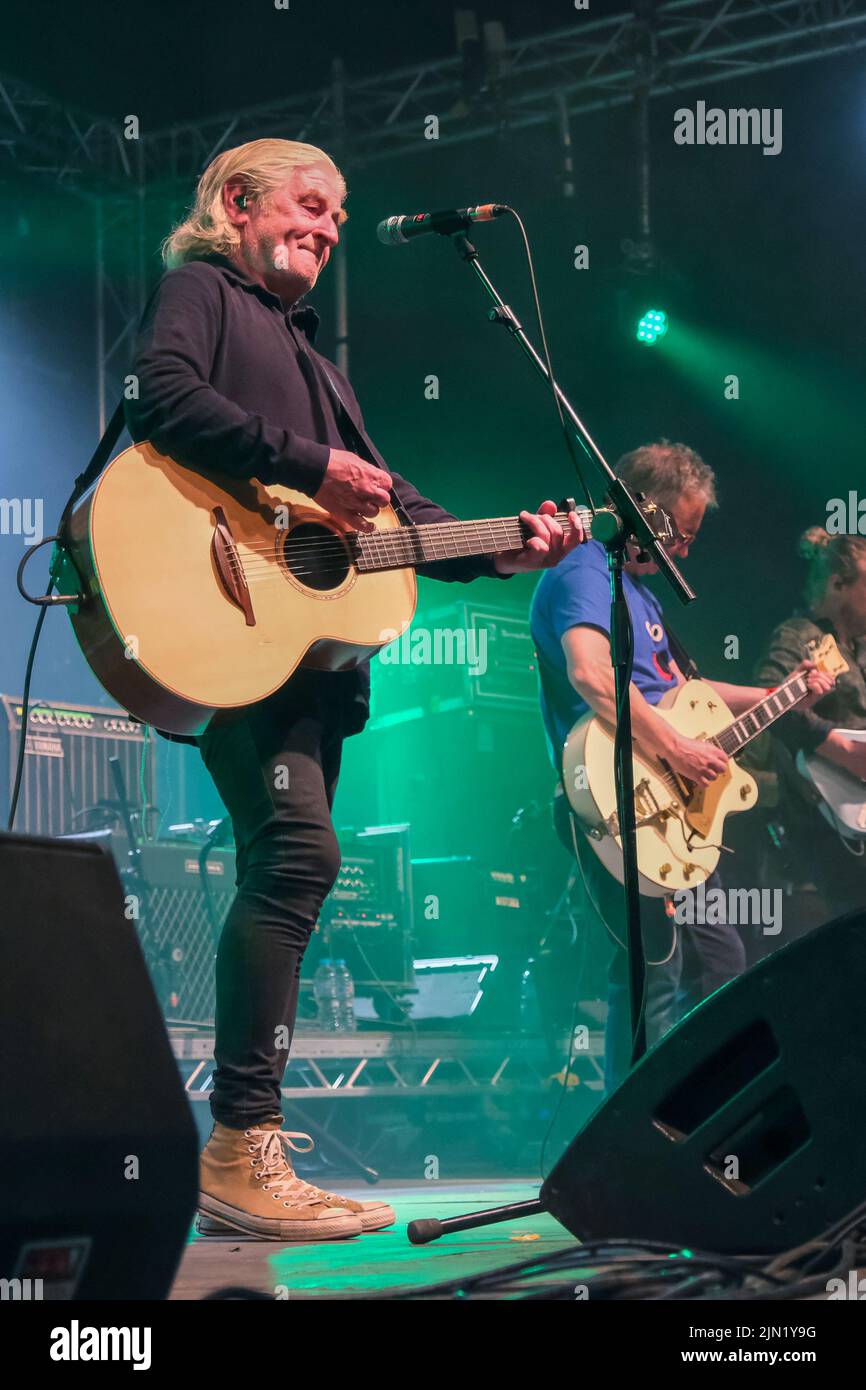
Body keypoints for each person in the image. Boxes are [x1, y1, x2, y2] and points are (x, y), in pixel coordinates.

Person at [125, 137, 584, 1241]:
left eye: (338, 215)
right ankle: (238, 1147)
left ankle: (248, 1153)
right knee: (298, 855)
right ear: (237, 204)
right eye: (309, 204)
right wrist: (299, 462)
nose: (329, 227)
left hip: (303, 665)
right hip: (225, 621)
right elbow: (155, 395)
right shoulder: (204, 292)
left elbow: (400, 523)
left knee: (293, 860)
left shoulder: (318, 365)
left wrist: (508, 548)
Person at [529, 441, 833, 1091]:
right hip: (617, 798)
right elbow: (591, 674)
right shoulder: (586, 568)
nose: (685, 552)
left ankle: (687, 1118)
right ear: (644, 513)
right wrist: (675, 748)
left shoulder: (640, 595)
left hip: (667, 812)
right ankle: (635, 1149)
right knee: (655, 972)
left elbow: (687, 694)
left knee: (707, 965)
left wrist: (784, 695)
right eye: (681, 534)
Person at [739, 527, 866, 947]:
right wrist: (839, 746)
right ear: (838, 583)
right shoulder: (799, 636)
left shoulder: (859, 650)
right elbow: (768, 703)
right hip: (823, 825)